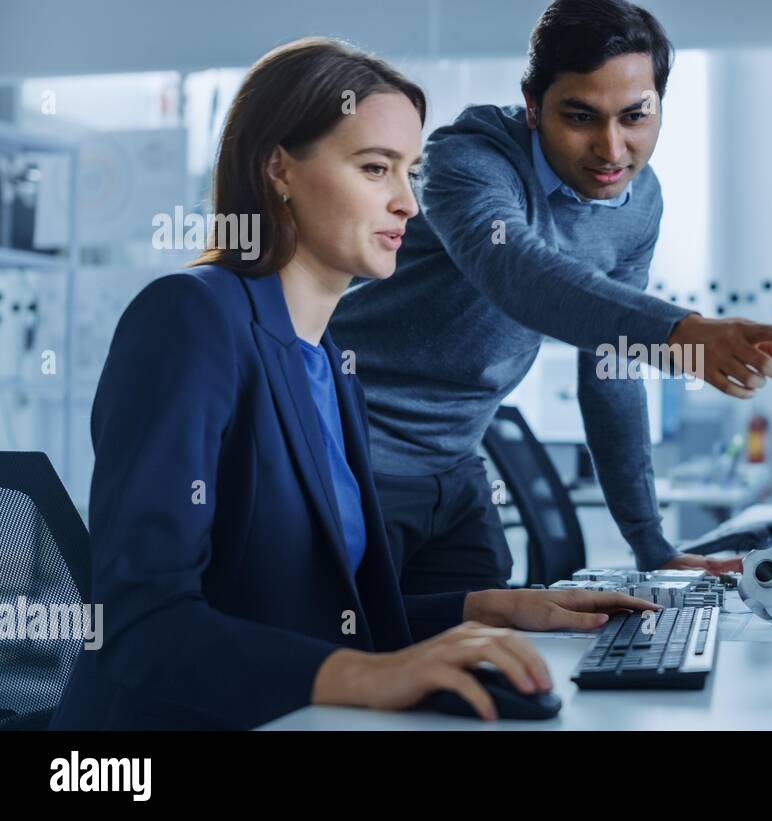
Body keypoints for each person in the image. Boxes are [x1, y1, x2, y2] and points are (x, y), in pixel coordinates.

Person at [50, 37, 653, 731]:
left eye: (411, 172)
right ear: (278, 167)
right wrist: (371, 672)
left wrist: (486, 606)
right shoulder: (191, 315)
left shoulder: (332, 363)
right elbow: (140, 622)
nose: (408, 204)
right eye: (375, 169)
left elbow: (303, 614)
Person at [330, 0, 772, 595]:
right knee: (356, 659)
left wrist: (651, 543)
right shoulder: (466, 160)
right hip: (350, 453)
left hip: (457, 466)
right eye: (581, 117)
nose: (611, 149)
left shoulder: (640, 204)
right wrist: (678, 332)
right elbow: (516, 272)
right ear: (532, 106)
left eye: (634, 117)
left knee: (489, 658)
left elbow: (610, 367)